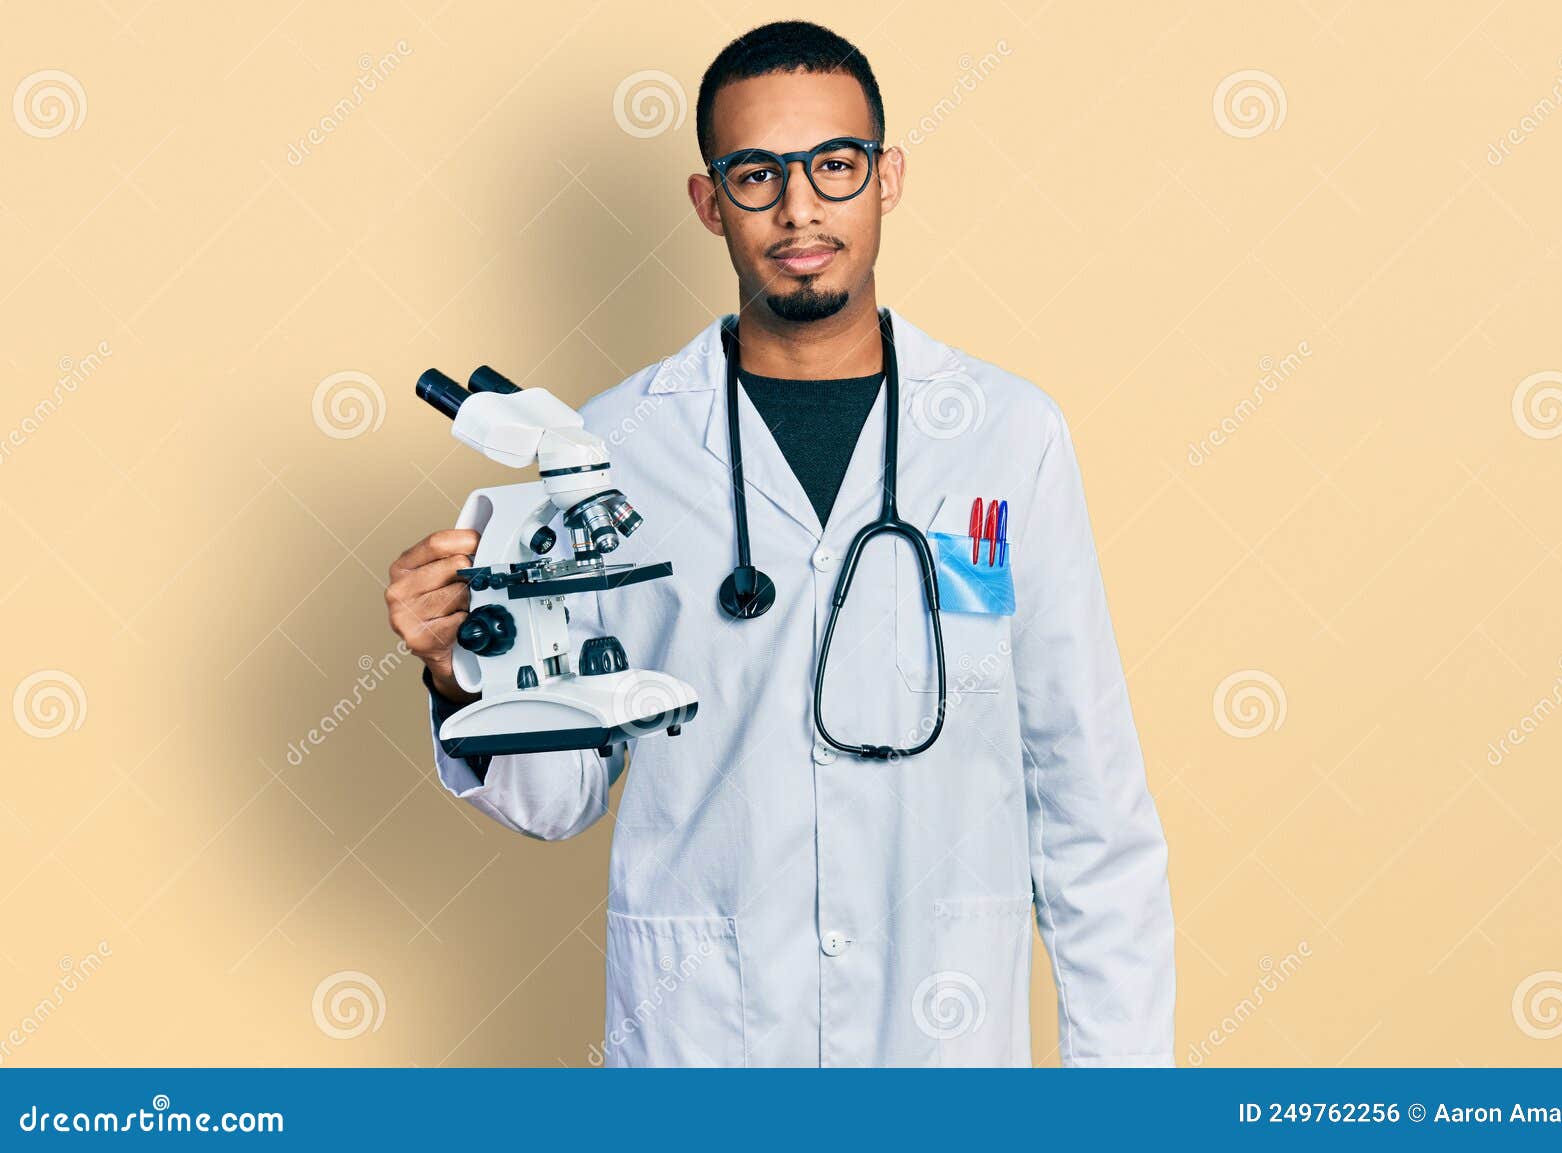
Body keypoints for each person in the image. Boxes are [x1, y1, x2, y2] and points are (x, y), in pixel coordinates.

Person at [384, 19, 1174, 1067]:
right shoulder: (614, 445)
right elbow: (559, 798)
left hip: (939, 1047)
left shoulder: (1003, 434)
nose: (798, 208)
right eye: (755, 174)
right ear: (709, 202)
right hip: (704, 1043)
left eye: (833, 166)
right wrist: (457, 673)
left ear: (886, 177)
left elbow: (1089, 804)